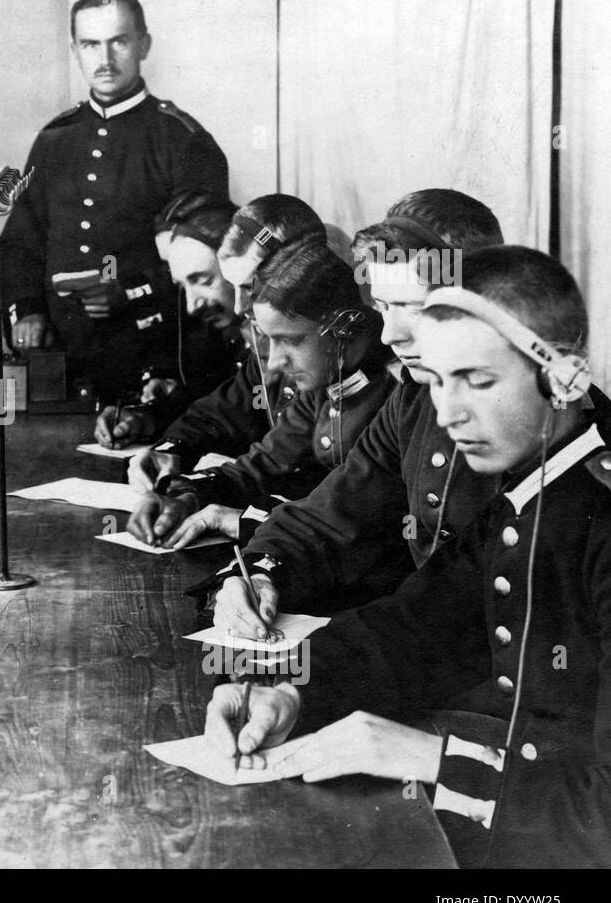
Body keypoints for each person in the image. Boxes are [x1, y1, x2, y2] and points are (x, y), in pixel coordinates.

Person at [204, 246, 609, 868]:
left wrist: (432, 759)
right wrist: (286, 689)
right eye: (440, 382)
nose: (448, 414)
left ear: (564, 374)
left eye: (478, 381)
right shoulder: (532, 489)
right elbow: (415, 625)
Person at [211, 190, 507, 630]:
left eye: (413, 306)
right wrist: (260, 570)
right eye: (384, 307)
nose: (389, 335)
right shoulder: (414, 401)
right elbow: (333, 514)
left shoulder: (555, 420)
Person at [0, 0, 232, 399]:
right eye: (90, 45)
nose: (104, 60)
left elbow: (210, 259)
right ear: (75, 50)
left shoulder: (183, 140)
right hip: (60, 357)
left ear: (143, 44)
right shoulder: (55, 139)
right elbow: (21, 241)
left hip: (155, 355)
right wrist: (27, 311)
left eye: (118, 42)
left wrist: (125, 291)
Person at [127, 235, 396, 548]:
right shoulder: (326, 376)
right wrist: (182, 493)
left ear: (343, 328)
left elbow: (361, 525)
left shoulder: (393, 392)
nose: (277, 362)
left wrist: (244, 520)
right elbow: (263, 465)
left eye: (291, 341)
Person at [112, 194, 325, 469]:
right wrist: (169, 449)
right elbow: (218, 412)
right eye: (182, 287)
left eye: (202, 280)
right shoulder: (257, 342)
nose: (239, 306)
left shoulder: (328, 348)